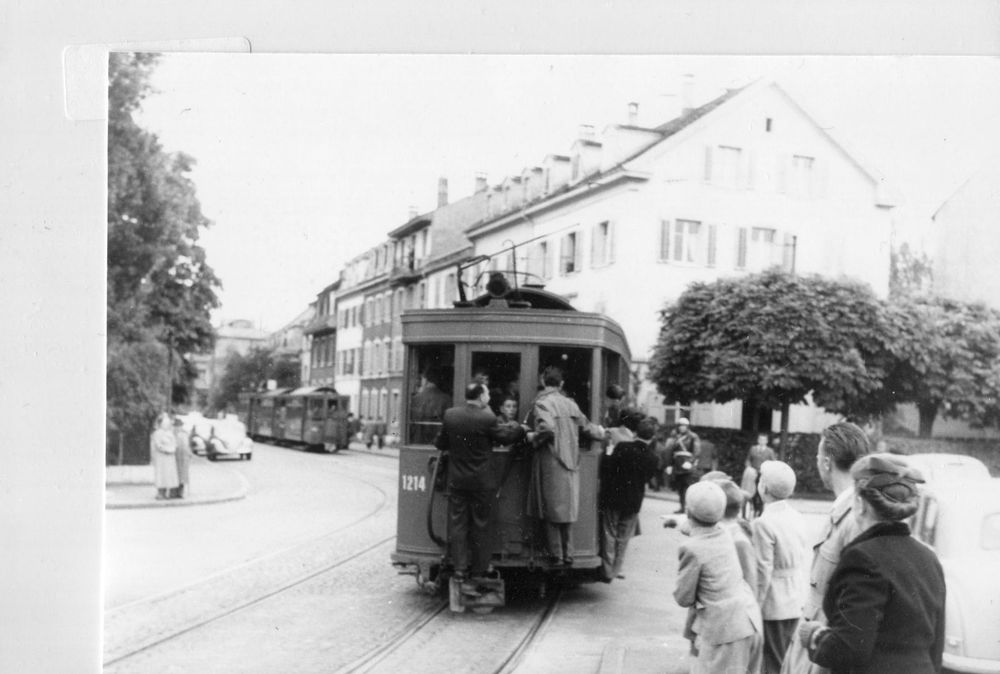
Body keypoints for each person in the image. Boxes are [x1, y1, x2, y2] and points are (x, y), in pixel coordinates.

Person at [797, 454, 945, 674]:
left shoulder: (862, 558)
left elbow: (849, 649)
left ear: (859, 504)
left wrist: (815, 635)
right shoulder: (929, 558)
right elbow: (936, 648)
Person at [780, 421, 872, 674]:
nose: (817, 462)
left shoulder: (854, 517)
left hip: (823, 644)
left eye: (818, 456)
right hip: (814, 637)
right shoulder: (846, 509)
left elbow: (852, 601)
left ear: (827, 463)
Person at [435, 382, 525, 592]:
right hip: (482, 483)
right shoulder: (487, 417)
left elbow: (440, 443)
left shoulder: (451, 415)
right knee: (482, 525)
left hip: (458, 481)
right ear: (481, 397)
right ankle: (479, 571)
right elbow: (505, 437)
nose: (489, 398)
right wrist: (521, 429)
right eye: (487, 394)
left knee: (458, 524)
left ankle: (459, 569)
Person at [674, 480, 764, 674]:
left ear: (688, 512)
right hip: (749, 620)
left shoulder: (691, 548)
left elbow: (683, 598)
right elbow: (700, 529)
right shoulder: (725, 532)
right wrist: (680, 523)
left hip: (725, 634)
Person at [524, 366, 604, 565]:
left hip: (550, 462)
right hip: (571, 463)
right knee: (566, 510)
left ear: (543, 382)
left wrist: (532, 436)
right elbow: (588, 428)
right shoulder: (571, 404)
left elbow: (547, 428)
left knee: (551, 509)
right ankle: (568, 553)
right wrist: (603, 432)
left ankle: (556, 555)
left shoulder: (542, 403)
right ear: (561, 384)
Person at [752, 460, 808, 674]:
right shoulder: (796, 516)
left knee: (773, 663)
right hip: (795, 597)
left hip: (774, 603)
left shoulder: (763, 523)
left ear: (764, 488)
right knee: (787, 660)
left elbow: (762, 571)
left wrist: (754, 606)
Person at [597, 412, 659, 582]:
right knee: (623, 538)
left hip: (613, 497)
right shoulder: (653, 458)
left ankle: (606, 570)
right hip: (633, 501)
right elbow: (648, 478)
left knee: (609, 533)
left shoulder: (622, 447)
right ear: (652, 437)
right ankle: (616, 570)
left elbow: (606, 467)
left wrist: (608, 452)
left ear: (636, 433)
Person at [664, 418, 701, 514]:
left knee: (688, 487)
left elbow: (696, 451)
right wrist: (669, 465)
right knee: (680, 487)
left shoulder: (693, 436)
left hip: (688, 465)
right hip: (677, 465)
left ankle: (689, 508)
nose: (682, 427)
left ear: (687, 427)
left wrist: (690, 461)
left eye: (684, 425)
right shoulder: (675, 437)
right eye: (680, 425)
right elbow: (670, 451)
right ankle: (682, 507)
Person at [410, 366, 452, 443]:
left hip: (418, 441)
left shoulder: (415, 399)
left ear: (425, 380)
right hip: (438, 441)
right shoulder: (447, 399)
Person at [743, 433, 778, 518]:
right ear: (758, 440)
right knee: (752, 493)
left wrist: (768, 470)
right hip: (753, 474)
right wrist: (748, 467)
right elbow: (748, 460)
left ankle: (760, 512)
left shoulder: (770, 451)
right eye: (760, 439)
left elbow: (774, 462)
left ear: (766, 441)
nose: (762, 441)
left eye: (763, 440)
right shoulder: (753, 449)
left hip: (763, 475)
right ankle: (754, 509)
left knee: (761, 493)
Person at [150, 412, 179, 500]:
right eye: (165, 423)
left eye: (168, 423)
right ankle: (160, 492)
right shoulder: (157, 433)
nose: (166, 425)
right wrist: (165, 449)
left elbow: (174, 443)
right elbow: (158, 445)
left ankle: (168, 492)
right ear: (161, 424)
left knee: (169, 475)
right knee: (161, 474)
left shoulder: (170, 433)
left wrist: (172, 449)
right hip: (161, 457)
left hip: (170, 458)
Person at [171, 416, 192, 499]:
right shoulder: (172, 434)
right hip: (175, 457)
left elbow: (188, 445)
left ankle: (181, 492)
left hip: (184, 457)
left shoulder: (185, 434)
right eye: (177, 426)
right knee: (175, 475)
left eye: (180, 425)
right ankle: (173, 492)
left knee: (183, 476)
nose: (178, 427)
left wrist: (189, 453)